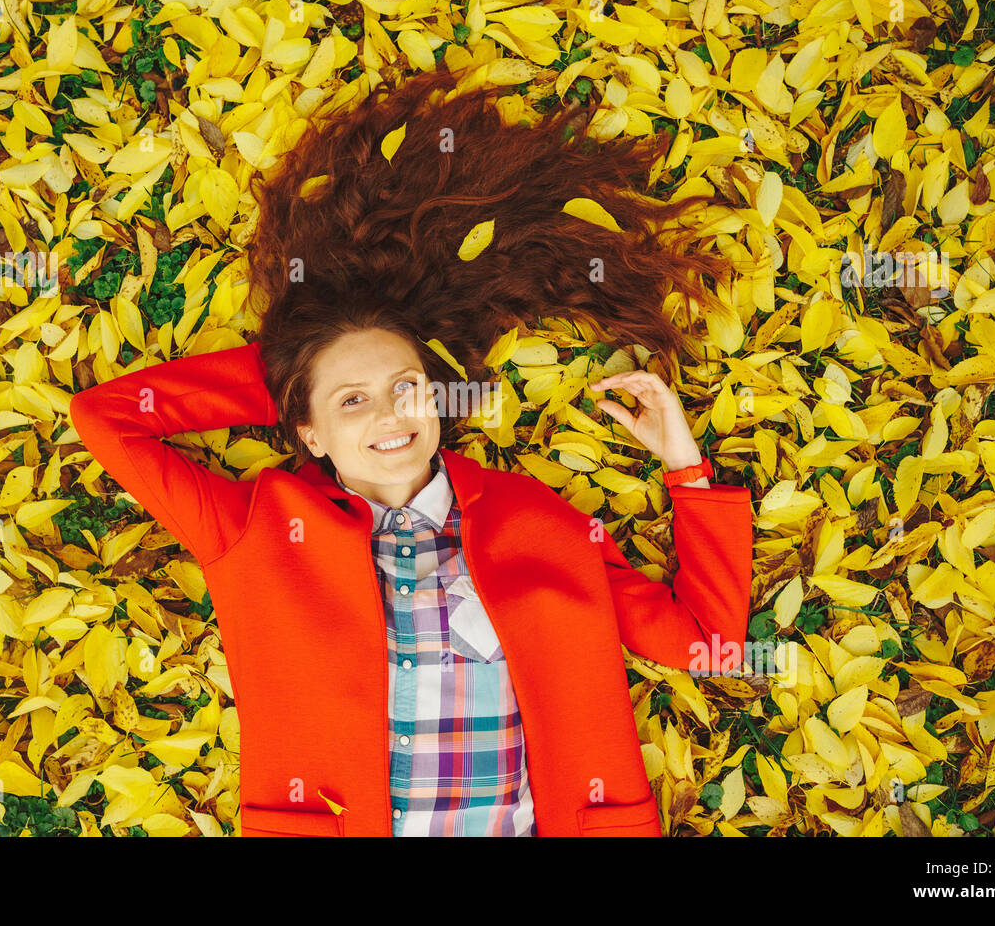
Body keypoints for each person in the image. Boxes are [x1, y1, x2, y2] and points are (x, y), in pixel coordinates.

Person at [69, 66, 753, 836]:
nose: (391, 413)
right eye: (353, 403)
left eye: (405, 387)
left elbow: (709, 648)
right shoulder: (253, 530)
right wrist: (303, 372)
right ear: (306, 430)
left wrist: (685, 467)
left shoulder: (540, 521)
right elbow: (107, 417)